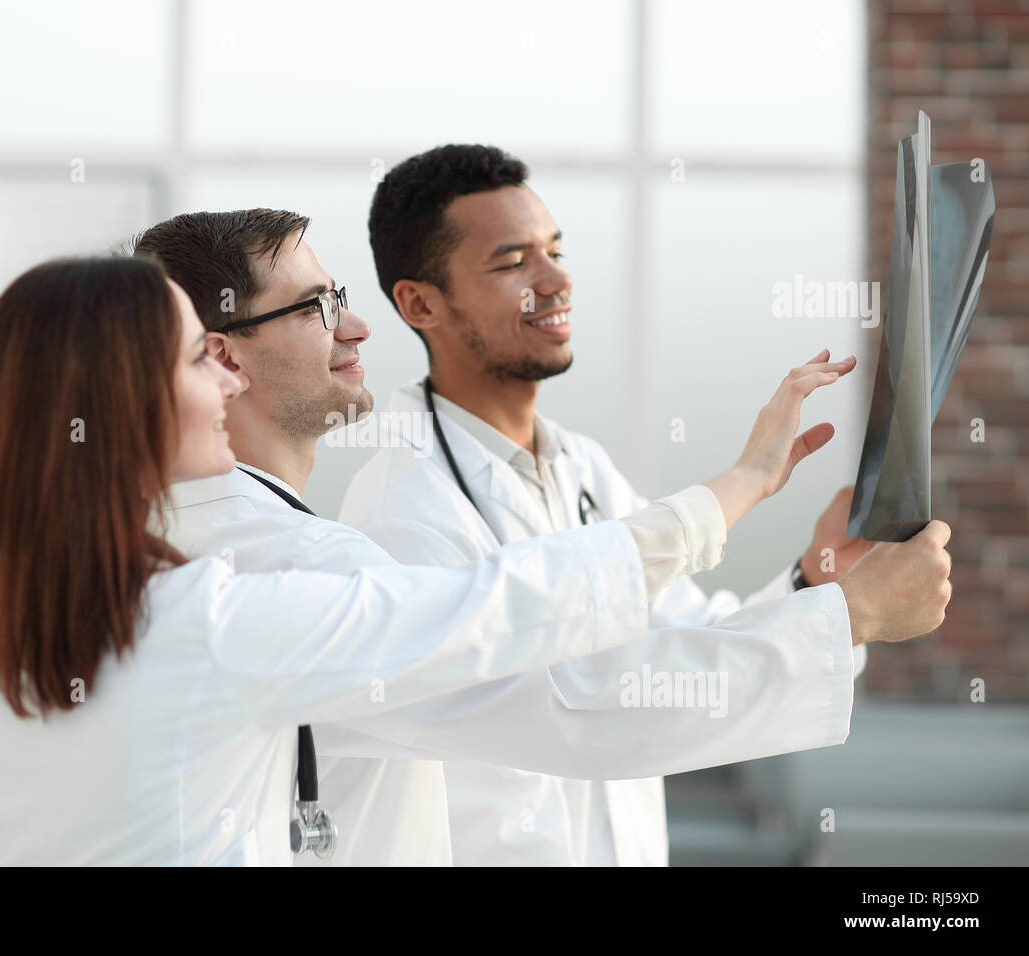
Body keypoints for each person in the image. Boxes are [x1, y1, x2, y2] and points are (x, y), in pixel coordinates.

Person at [0, 255, 842, 866]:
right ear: (128, 403)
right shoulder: (208, 624)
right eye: (199, 360)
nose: (226, 379)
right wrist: (741, 488)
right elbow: (496, 611)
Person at [134, 210, 952, 866]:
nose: (356, 325)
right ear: (223, 356)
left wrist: (816, 590)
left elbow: (656, 639)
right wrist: (825, 591)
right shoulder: (310, 557)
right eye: (316, 306)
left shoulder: (255, 539)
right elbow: (576, 699)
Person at [340, 142, 947, 865]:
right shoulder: (400, 511)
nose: (557, 280)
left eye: (556, 250)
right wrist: (857, 614)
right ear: (420, 303)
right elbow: (578, 714)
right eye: (513, 263)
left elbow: (679, 640)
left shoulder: (581, 466)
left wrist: (817, 584)